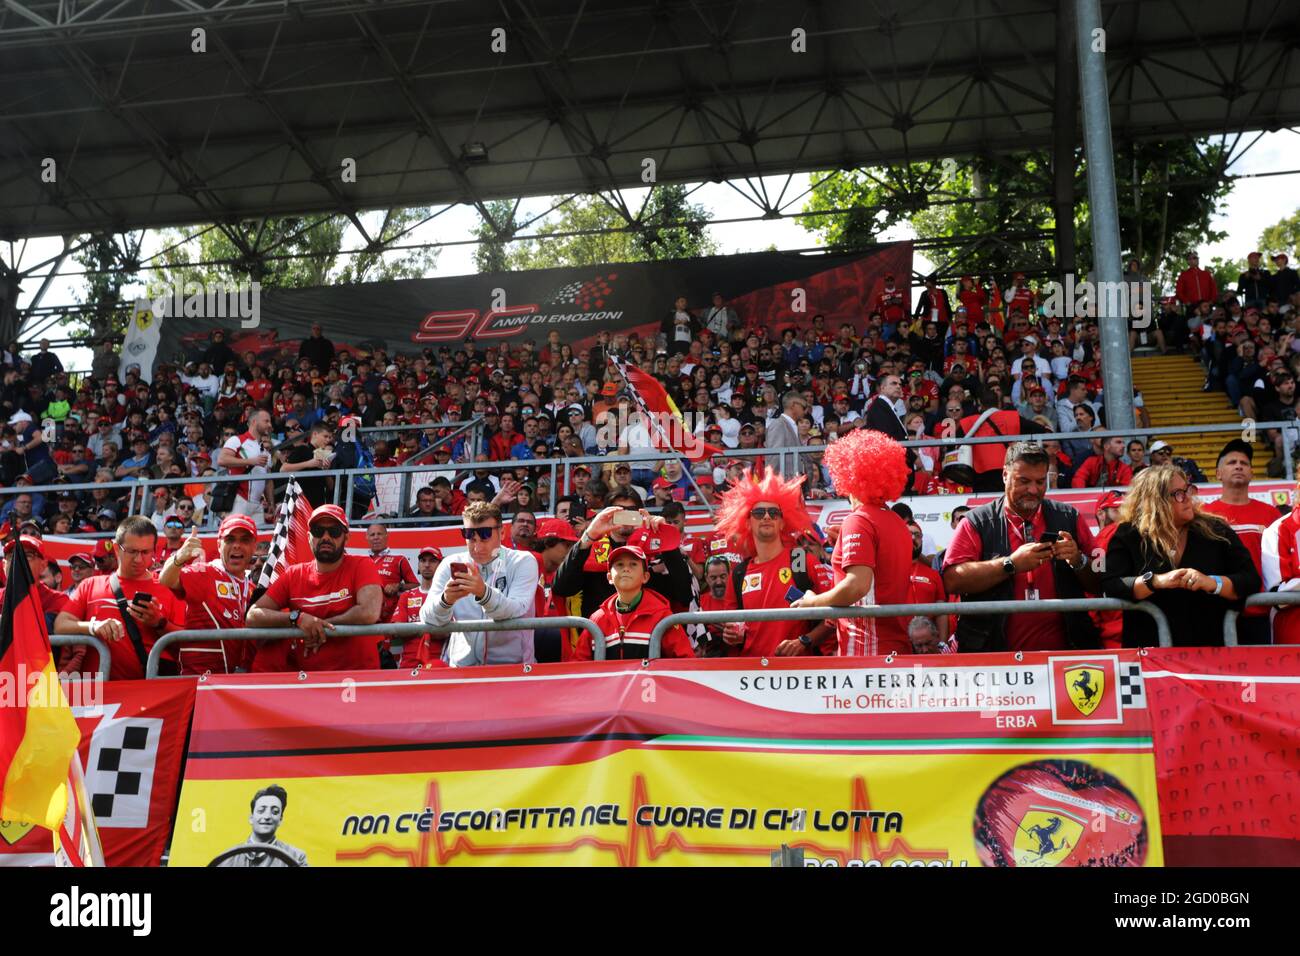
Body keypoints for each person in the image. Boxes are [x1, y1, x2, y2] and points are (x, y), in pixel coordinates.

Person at [943, 442, 1100, 652]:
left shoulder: (1069, 517)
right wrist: (1010, 564)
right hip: (994, 659)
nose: (1033, 490)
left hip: (1064, 661)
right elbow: (952, 579)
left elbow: (1103, 577)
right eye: (1024, 481)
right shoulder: (975, 522)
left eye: (1040, 481)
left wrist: (1078, 560)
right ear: (1005, 475)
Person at [1101, 465, 1260, 647]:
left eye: (1187, 490)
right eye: (1178, 493)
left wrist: (1212, 583)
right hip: (1149, 653)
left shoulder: (1216, 530)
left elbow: (1250, 579)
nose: (1187, 498)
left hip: (1212, 649)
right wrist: (1156, 581)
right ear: (1155, 501)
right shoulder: (1129, 534)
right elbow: (1111, 585)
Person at [791, 429, 914, 656]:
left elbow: (857, 586)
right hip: (895, 646)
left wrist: (812, 602)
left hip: (866, 650)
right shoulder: (896, 522)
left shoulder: (859, 520)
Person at [709, 467, 834, 657]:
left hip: (799, 673)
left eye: (774, 513)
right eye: (759, 513)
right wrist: (731, 635)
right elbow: (734, 625)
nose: (767, 516)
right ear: (748, 522)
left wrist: (804, 641)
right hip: (753, 674)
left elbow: (833, 616)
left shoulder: (803, 562)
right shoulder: (739, 573)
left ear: (782, 523)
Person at [245, 504, 384, 672]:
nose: (326, 537)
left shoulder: (362, 565)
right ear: (310, 537)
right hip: (307, 683)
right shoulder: (294, 574)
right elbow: (253, 616)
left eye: (334, 532)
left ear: (346, 538)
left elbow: (369, 612)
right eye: (319, 531)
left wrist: (318, 626)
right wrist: (297, 618)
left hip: (356, 679)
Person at [55, 516, 186, 680]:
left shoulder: (168, 587)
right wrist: (93, 626)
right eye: (131, 551)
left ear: (154, 551)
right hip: (97, 695)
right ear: (117, 549)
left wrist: (158, 623)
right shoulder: (90, 585)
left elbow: (186, 642)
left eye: (145, 552)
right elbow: (60, 624)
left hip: (150, 695)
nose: (138, 559)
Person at [421, 501, 539, 666]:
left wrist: (484, 594)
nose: (477, 547)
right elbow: (428, 618)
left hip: (511, 668)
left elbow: (516, 609)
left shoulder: (522, 561)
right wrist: (445, 601)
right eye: (470, 537)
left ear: (502, 533)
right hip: (462, 669)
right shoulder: (450, 563)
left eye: (485, 536)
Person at [553, 492, 692, 619]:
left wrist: (664, 536)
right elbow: (562, 588)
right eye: (618, 510)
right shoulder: (590, 549)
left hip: (647, 636)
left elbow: (684, 595)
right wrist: (589, 535)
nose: (625, 516)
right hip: (600, 638)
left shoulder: (657, 550)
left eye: (631, 511)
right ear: (607, 514)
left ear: (641, 514)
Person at [1201, 439, 1281, 645]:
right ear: (1218, 474)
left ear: (1251, 473)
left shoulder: (1270, 514)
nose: (1238, 466)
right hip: (1216, 610)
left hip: (1261, 610)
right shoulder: (1203, 516)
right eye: (1231, 462)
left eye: (1244, 463)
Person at [158, 515, 259, 674]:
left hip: (238, 685)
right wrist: (179, 557)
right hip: (200, 682)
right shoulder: (205, 572)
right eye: (230, 540)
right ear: (219, 545)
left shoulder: (253, 588)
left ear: (254, 547)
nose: (237, 546)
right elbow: (165, 579)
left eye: (244, 540)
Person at [576, 544, 693, 659]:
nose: (626, 569)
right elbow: (578, 665)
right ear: (609, 578)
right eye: (620, 564)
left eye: (633, 564)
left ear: (645, 577)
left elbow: (685, 661)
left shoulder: (662, 616)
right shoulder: (597, 619)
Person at [215, 785, 308, 867]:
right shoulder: (227, 858)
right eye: (261, 810)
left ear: (280, 820)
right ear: (251, 818)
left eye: (275, 812)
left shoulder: (296, 857)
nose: (267, 816)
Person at [392, 546, 446, 669]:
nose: (427, 565)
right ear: (418, 565)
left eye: (432, 561)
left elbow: (448, 632)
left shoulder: (448, 595)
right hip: (409, 663)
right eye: (423, 560)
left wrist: (415, 629)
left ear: (441, 565)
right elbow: (398, 630)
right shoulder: (407, 596)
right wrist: (431, 629)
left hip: (441, 661)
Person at [218, 408, 272, 517]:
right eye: (266, 421)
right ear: (254, 422)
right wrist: (251, 461)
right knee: (235, 533)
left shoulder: (265, 451)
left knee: (259, 534)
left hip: (258, 504)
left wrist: (271, 503)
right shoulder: (237, 440)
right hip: (239, 499)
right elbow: (222, 459)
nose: (270, 425)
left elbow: (268, 480)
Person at [904, 520, 949, 646]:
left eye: (917, 535)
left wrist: (942, 644)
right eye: (908, 534)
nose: (913, 538)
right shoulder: (889, 571)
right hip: (898, 642)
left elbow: (941, 612)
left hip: (926, 644)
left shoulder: (933, 574)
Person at [365, 522, 417, 623]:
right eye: (372, 535)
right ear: (367, 537)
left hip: (391, 617)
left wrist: (398, 586)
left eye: (379, 534)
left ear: (386, 536)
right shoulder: (362, 561)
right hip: (367, 617)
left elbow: (415, 586)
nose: (376, 537)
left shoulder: (399, 559)